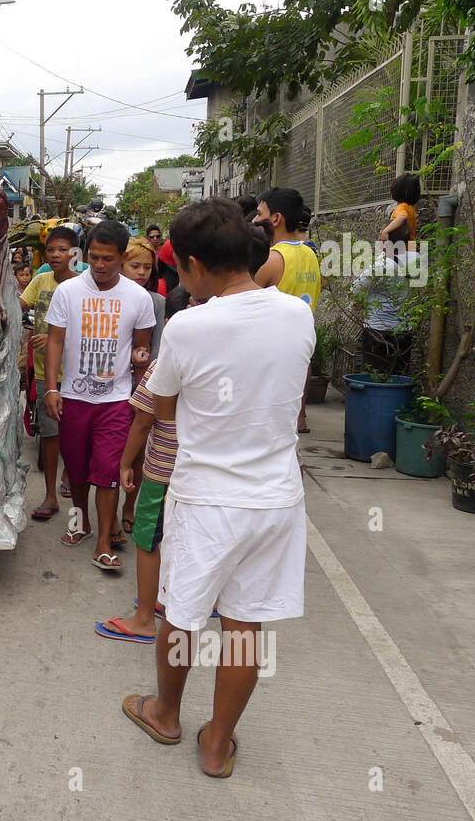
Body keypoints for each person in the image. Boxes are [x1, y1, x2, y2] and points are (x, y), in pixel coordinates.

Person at [121, 198, 314, 778]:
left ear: (197, 265)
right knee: (245, 625)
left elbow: (167, 409)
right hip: (276, 499)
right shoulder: (296, 315)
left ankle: (165, 713)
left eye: (180, 266)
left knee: (182, 615)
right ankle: (217, 743)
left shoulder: (188, 325)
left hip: (206, 499)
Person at [42, 220, 155, 570]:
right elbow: (55, 341)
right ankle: (82, 523)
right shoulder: (68, 292)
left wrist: (140, 391)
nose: (100, 265)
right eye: (94, 257)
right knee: (76, 469)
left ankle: (104, 542)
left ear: (122, 257)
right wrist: (51, 387)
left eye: (108, 258)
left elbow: (141, 350)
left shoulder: (139, 298)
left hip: (117, 400)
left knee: (107, 470)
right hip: (74, 397)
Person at [95, 356, 180, 645]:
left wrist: (126, 462)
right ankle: (171, 600)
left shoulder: (169, 362)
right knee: (188, 539)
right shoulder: (228, 360)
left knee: (148, 540)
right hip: (206, 474)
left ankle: (144, 619)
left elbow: (143, 420)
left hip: (165, 470)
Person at [20, 226, 79, 521]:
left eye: (62, 250)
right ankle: (50, 495)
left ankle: (70, 476)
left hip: (76, 374)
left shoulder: (83, 286)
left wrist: (55, 339)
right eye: (51, 250)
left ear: (75, 254)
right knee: (50, 434)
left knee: (73, 434)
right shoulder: (41, 280)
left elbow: (86, 332)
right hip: (45, 372)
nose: (55, 255)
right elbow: (19, 304)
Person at [253, 187, 322, 432]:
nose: (254, 219)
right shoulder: (310, 253)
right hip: (302, 344)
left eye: (259, 213)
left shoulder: (272, 259)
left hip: (270, 354)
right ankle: (300, 418)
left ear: (276, 218)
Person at [120, 237, 168, 534]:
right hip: (109, 384)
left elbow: (158, 347)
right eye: (135, 266)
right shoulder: (110, 297)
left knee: (137, 452)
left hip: (142, 385)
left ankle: (128, 507)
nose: (141, 272)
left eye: (147, 267)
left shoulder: (157, 302)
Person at [378, 173, 420, 254]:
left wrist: (385, 231)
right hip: (411, 250)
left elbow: (402, 217)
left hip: (400, 252)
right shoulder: (410, 207)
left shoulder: (401, 207)